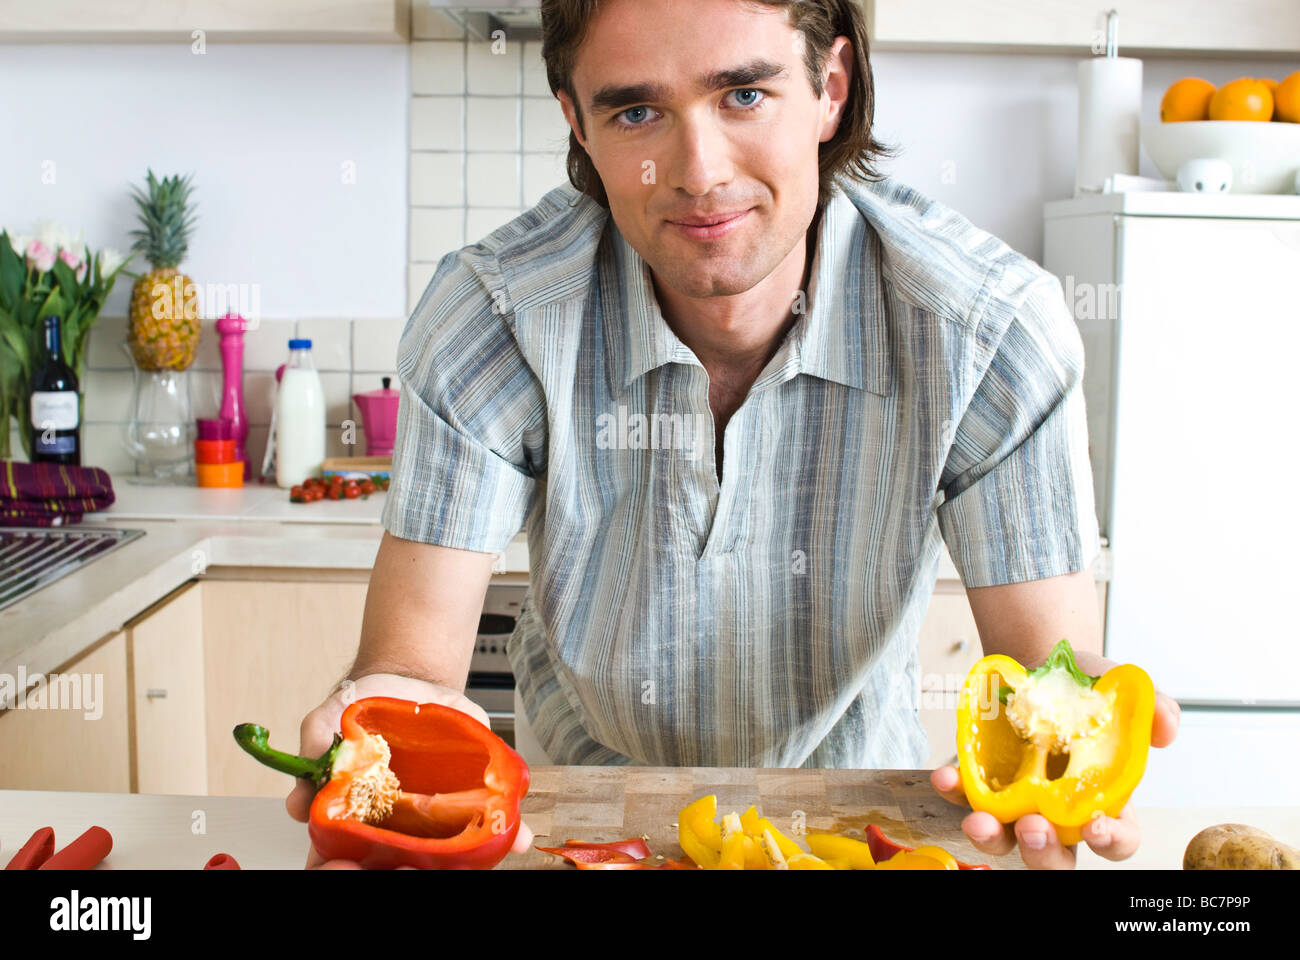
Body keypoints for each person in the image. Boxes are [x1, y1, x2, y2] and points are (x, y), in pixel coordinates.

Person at [288, 0, 1179, 869]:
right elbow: (414, 667)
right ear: (578, 125)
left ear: (831, 86)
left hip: (864, 814)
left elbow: (1047, 668)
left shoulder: (991, 329)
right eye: (636, 111)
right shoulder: (493, 317)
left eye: (744, 95)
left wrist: (1092, 730)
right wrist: (385, 718)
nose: (699, 171)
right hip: (580, 816)